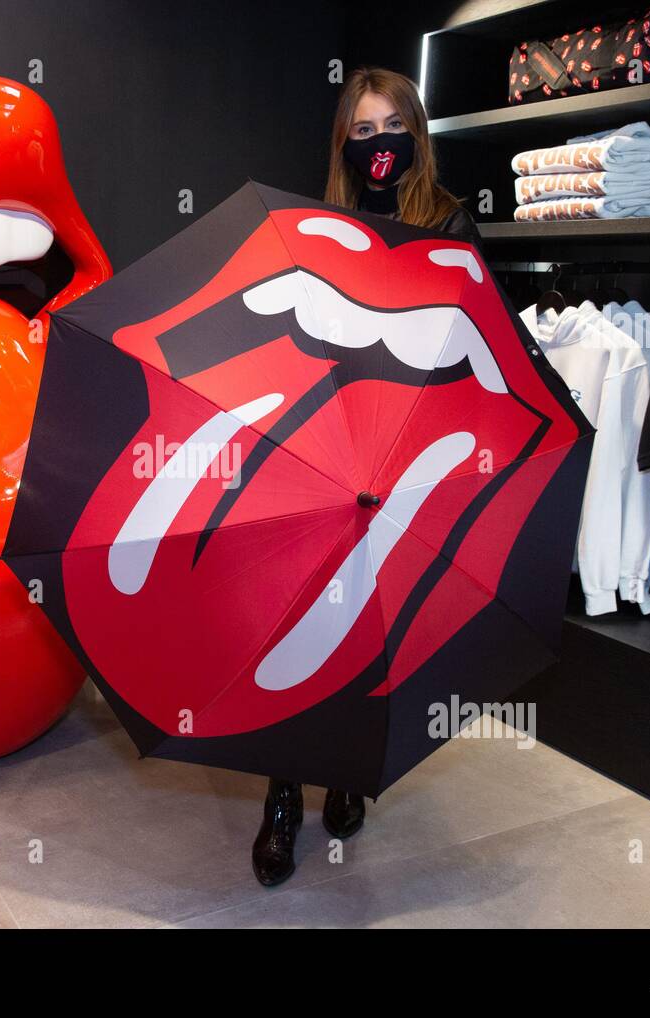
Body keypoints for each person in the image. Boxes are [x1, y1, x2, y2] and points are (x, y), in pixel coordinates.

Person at [252, 66, 480, 888]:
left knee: (367, 625)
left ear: (414, 130)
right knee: (292, 620)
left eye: (391, 125)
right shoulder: (315, 225)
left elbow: (469, 341)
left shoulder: (449, 220)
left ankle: (346, 769)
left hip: (403, 455)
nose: (377, 141)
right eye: (361, 128)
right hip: (318, 445)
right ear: (344, 143)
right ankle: (282, 795)